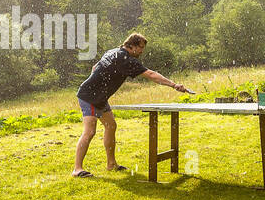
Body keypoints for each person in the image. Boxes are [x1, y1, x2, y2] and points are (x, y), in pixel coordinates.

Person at [73, 32, 188, 177]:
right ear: (131, 45)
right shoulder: (126, 60)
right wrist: (174, 85)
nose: (141, 51)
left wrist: (99, 84)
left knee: (111, 126)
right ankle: (77, 169)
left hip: (99, 97)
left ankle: (111, 164)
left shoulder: (113, 52)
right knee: (90, 132)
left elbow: (95, 67)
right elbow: (151, 75)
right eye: (140, 48)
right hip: (89, 96)